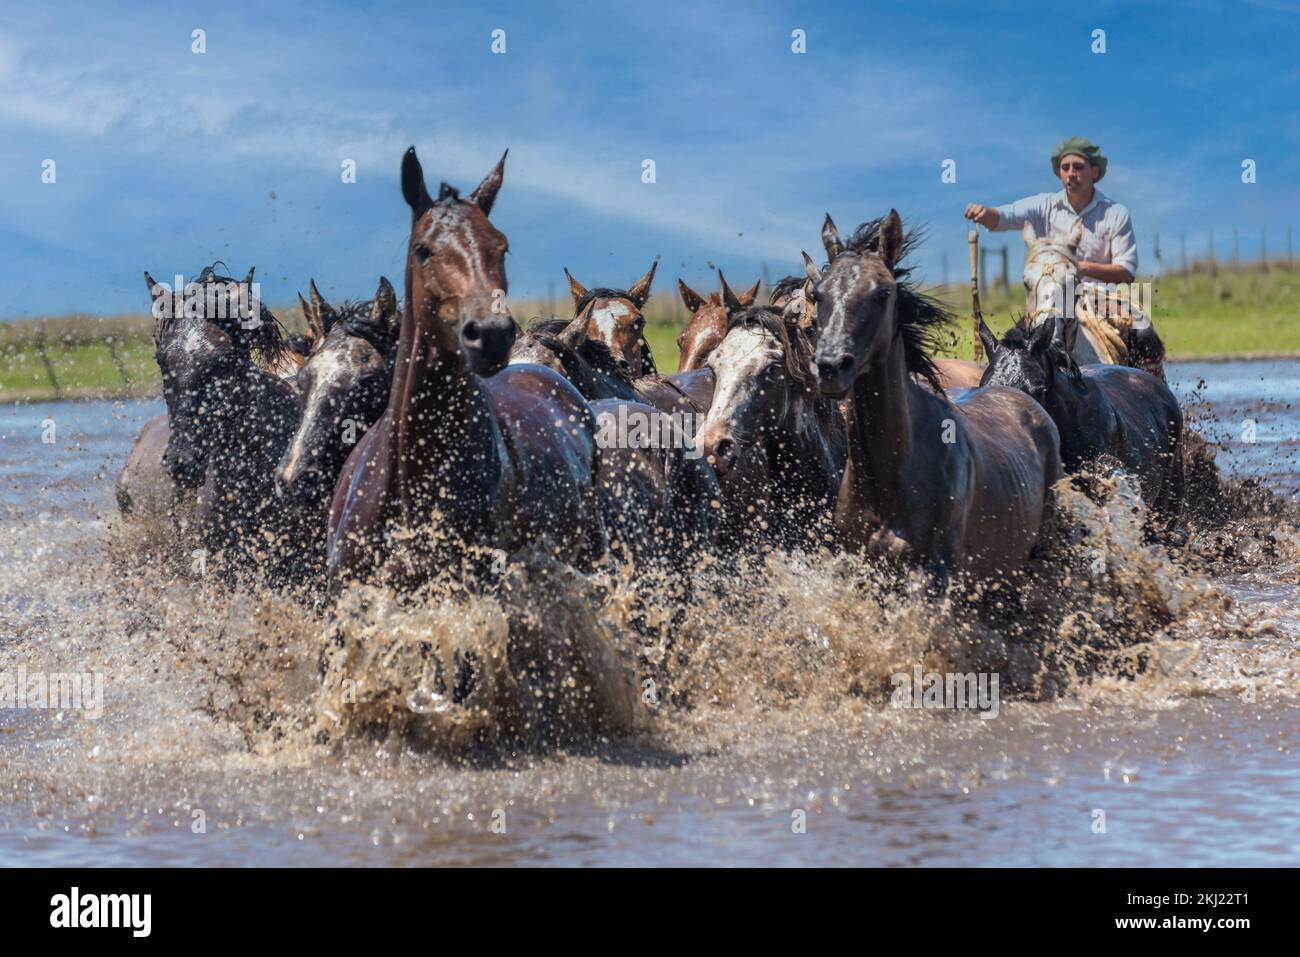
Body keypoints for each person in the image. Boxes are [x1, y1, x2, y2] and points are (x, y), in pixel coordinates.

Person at [965, 136, 1164, 379]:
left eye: (1078, 167)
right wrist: (986, 214)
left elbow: (1126, 271)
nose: (1071, 173)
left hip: (1100, 296)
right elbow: (1006, 216)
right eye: (1065, 168)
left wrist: (1079, 269)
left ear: (1094, 171)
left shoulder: (1115, 213)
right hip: (1051, 297)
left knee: (1144, 332)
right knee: (1010, 348)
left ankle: (1155, 400)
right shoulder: (1044, 205)